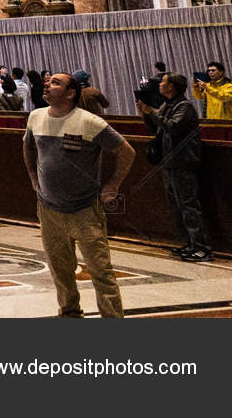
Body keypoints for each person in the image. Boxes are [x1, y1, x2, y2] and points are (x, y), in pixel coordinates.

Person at [24, 72, 135, 318]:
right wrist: (33, 178)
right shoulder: (36, 117)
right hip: (49, 210)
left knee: (100, 270)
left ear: (70, 93)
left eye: (55, 83)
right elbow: (28, 147)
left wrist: (112, 185)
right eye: (48, 81)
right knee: (60, 270)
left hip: (85, 210)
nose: (47, 85)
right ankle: (70, 313)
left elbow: (126, 152)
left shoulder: (89, 122)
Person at [137, 72, 212, 262]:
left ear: (171, 87)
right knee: (176, 206)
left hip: (183, 163)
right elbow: (156, 129)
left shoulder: (184, 107)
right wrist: (145, 114)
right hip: (168, 162)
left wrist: (151, 112)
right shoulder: (166, 105)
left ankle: (202, 248)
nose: (160, 86)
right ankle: (188, 243)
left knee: (189, 205)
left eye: (163, 83)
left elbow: (173, 126)